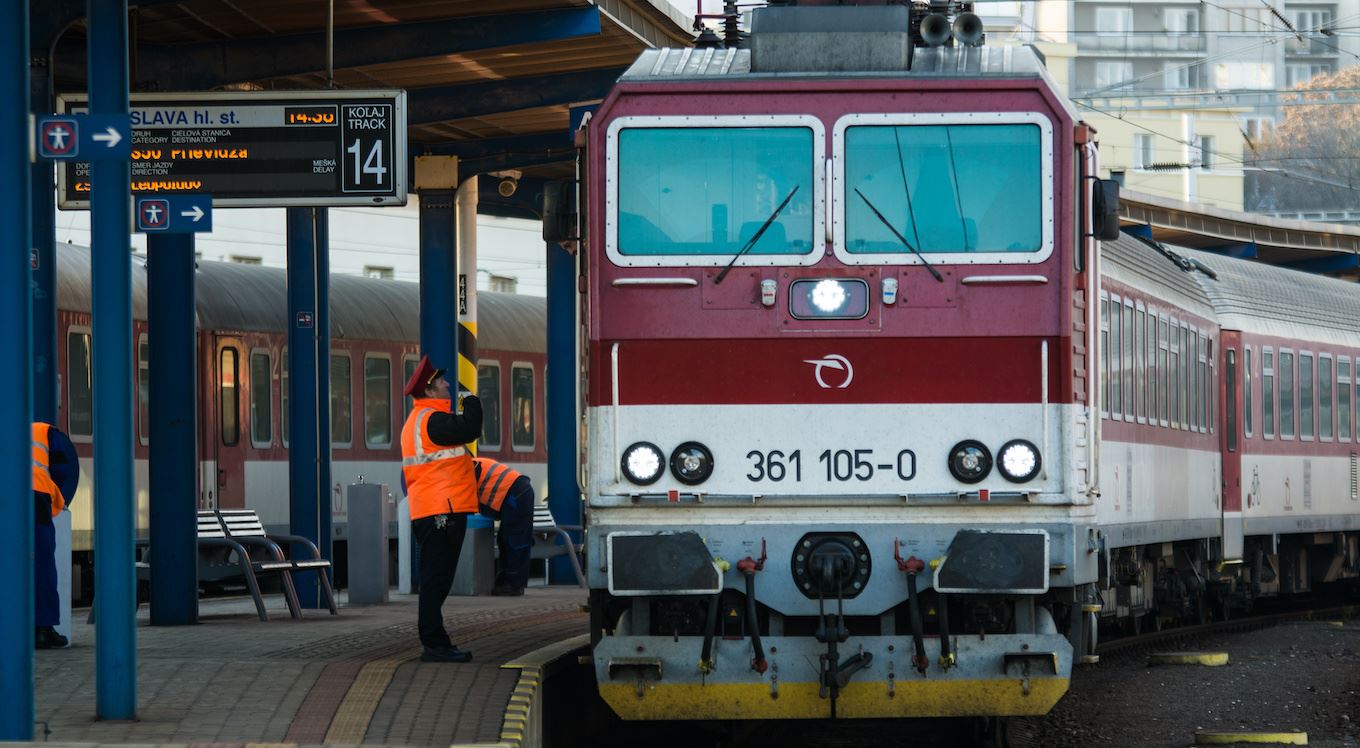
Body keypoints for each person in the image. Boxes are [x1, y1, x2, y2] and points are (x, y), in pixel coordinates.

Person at [400, 355, 482, 663]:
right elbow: (470, 427)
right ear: (431, 390)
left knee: (437, 579)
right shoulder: (431, 421)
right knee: (436, 580)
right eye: (443, 382)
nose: (448, 385)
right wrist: (471, 398)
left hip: (436, 510)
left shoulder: (422, 422)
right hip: (440, 512)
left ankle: (437, 641)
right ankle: (434, 644)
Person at [33, 421, 79, 649]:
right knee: (43, 563)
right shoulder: (46, 431)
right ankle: (43, 629)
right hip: (37, 496)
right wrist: (59, 499)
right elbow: (63, 469)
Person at [472, 457, 534, 597]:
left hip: (515, 493)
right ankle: (506, 581)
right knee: (506, 539)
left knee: (514, 540)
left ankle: (513, 584)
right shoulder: (473, 464)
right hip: (516, 491)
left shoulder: (469, 468)